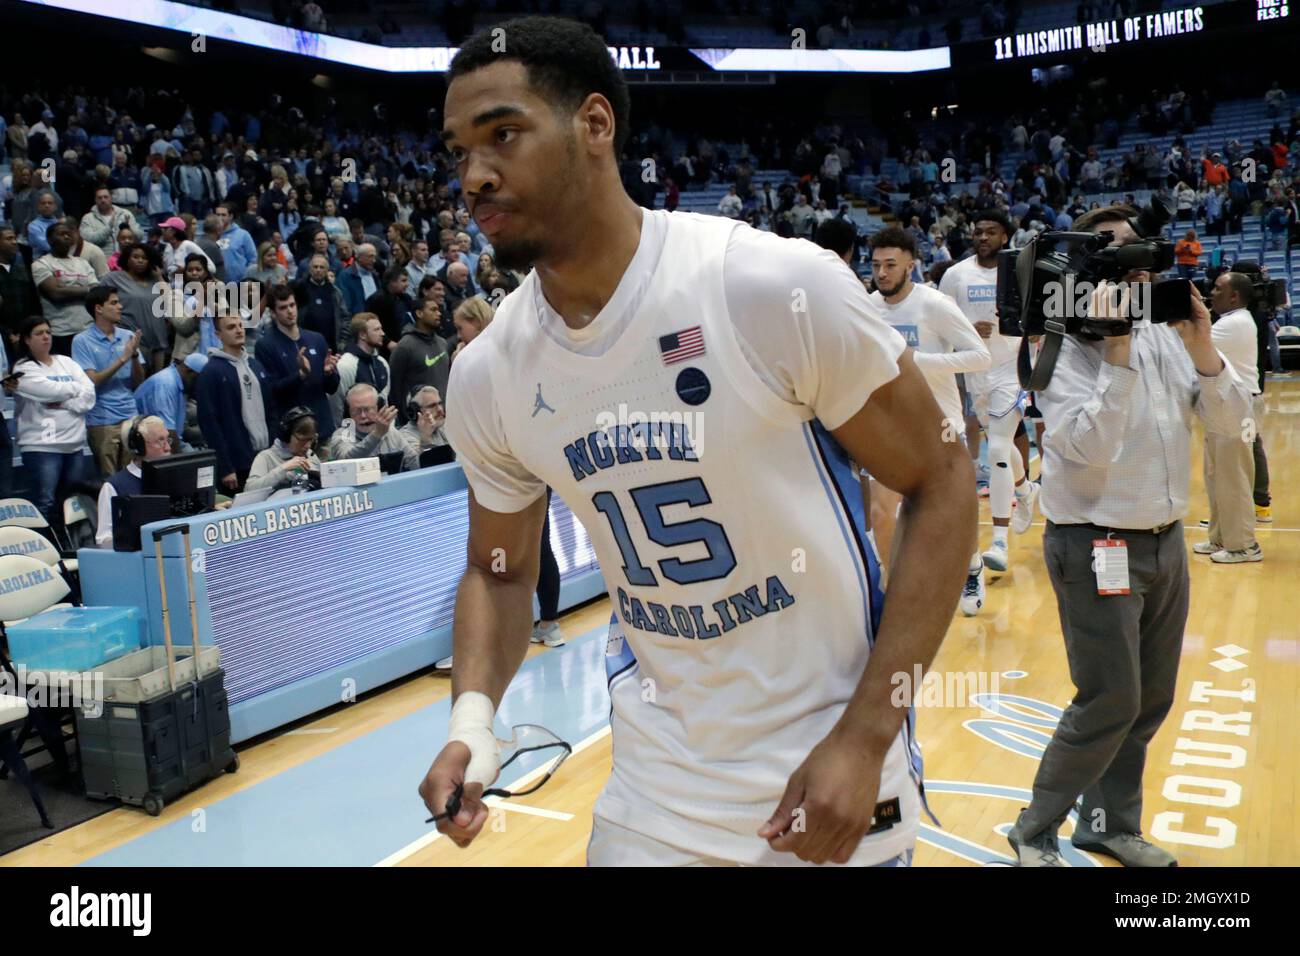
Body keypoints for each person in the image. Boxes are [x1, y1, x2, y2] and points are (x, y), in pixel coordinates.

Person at [419, 16, 975, 868]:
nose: (476, 175)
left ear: (596, 126)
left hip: (823, 780)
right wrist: (471, 723)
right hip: (655, 791)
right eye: (459, 150)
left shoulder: (767, 286)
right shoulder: (488, 373)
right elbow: (500, 572)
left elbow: (943, 478)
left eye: (503, 134)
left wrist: (867, 739)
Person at [1006, 204, 1253, 868]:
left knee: (1149, 699)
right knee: (1110, 698)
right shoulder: (1055, 348)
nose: (1133, 264)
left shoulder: (1166, 334)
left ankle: (1109, 823)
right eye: (1112, 252)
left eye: (1137, 252)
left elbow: (1232, 426)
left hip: (1165, 540)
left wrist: (1203, 348)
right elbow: (1088, 449)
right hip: (1094, 544)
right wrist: (1114, 354)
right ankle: (1033, 829)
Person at [867, 227, 991, 614]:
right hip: (889, 424)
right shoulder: (865, 306)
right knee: (881, 515)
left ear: (911, 265)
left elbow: (979, 356)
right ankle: (896, 590)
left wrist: (920, 364)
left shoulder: (934, 305)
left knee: (952, 513)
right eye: (876, 265)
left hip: (940, 421)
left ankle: (971, 566)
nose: (882, 273)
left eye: (891, 264)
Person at [939, 209, 1037, 573]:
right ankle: (1025, 491)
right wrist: (966, 330)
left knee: (996, 448)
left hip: (1010, 369)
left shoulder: (1020, 272)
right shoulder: (955, 275)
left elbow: (1036, 321)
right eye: (977, 232)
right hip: (974, 372)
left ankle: (998, 542)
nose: (982, 237)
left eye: (990, 232)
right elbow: (942, 324)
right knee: (1000, 444)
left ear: (1005, 237)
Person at [1191, 271, 1262, 564]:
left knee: (1235, 479)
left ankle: (1244, 545)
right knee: (1217, 477)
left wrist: (1191, 305)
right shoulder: (1230, 321)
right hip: (1223, 407)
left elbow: (1191, 343)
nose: (1212, 293)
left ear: (1234, 296)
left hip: (1240, 407)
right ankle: (1221, 537)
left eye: (1218, 289)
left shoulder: (1234, 324)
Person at [10, 316, 97, 524]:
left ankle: (69, 544)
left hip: (73, 446)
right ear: (27, 340)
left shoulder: (66, 362)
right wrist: (74, 390)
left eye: (48, 332)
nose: (46, 337)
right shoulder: (23, 369)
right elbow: (48, 391)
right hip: (42, 448)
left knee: (73, 503)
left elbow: (89, 395)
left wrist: (66, 401)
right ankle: (47, 545)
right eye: (39, 333)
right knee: (45, 501)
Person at [195, 310, 275, 493]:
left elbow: (272, 410)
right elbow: (210, 424)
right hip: (237, 464)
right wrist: (225, 466)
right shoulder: (211, 373)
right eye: (231, 327)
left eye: (240, 325)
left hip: (265, 456)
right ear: (218, 335)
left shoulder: (256, 365)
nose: (239, 330)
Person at [73, 286, 146, 476]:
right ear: (98, 309)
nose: (120, 307)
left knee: (133, 474)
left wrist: (135, 355)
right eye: (114, 303)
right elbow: (92, 381)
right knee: (110, 479)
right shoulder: (82, 341)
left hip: (130, 415)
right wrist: (123, 358)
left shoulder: (128, 336)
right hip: (102, 420)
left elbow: (138, 381)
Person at [254, 284, 340, 440]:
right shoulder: (265, 346)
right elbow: (272, 391)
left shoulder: (316, 339)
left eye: (292, 305)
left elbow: (332, 388)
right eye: (283, 307)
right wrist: (300, 375)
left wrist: (329, 373)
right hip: (292, 435)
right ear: (273, 313)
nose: (290, 311)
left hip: (322, 429)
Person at [95, 415, 173, 548]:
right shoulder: (114, 487)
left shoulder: (175, 477)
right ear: (139, 447)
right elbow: (103, 540)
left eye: (168, 440)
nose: (168, 448)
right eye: (160, 441)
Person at [31, 219, 98, 355]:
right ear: (49, 239)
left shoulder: (82, 262)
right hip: (61, 331)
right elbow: (55, 294)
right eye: (61, 234)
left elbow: (96, 292)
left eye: (68, 234)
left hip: (88, 329)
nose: (66, 237)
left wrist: (67, 288)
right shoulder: (41, 264)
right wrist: (86, 289)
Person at [388, 294, 455, 426]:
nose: (439, 313)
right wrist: (404, 419)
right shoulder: (405, 346)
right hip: (419, 420)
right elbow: (395, 388)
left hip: (445, 417)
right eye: (433, 310)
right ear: (419, 313)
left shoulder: (442, 343)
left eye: (439, 310)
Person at [326, 383, 418, 471]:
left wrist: (425, 438)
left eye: (367, 409)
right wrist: (377, 434)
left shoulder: (391, 432)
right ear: (348, 413)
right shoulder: (344, 433)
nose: (363, 416)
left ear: (379, 408)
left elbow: (414, 464)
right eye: (356, 411)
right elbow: (348, 461)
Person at [135, 352, 207, 450]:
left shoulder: (180, 381)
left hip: (170, 439)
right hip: (151, 442)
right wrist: (181, 461)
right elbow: (168, 434)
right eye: (200, 380)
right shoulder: (166, 384)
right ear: (189, 371)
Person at [245, 406, 323, 492]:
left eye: (311, 440)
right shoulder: (266, 457)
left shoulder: (310, 455)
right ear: (286, 436)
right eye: (302, 440)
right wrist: (283, 469)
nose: (308, 446)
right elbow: (250, 489)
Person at [333, 313, 390, 425]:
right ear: (363, 335)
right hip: (353, 434)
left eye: (381, 329)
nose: (382, 334)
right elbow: (338, 407)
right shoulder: (346, 364)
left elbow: (384, 401)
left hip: (380, 431)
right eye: (377, 330)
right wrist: (346, 438)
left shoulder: (382, 363)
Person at [0, 222, 37, 361]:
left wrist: (27, 331)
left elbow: (33, 303)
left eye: (15, 238)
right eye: (9, 239)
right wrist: (8, 334)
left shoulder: (22, 270)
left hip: (25, 333)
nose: (15, 242)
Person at [294, 253, 346, 351]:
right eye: (315, 267)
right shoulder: (299, 288)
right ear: (310, 269)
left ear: (327, 271)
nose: (318, 270)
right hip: (305, 343)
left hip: (331, 344)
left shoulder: (335, 292)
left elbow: (344, 317)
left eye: (321, 267)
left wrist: (342, 342)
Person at [80, 186, 142, 255]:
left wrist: (130, 229)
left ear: (111, 198)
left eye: (106, 197)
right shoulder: (88, 218)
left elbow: (140, 237)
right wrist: (109, 228)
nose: (103, 200)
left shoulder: (125, 214)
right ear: (95, 200)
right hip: (101, 259)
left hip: (124, 259)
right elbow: (88, 240)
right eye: (99, 198)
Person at [397, 385, 450, 455]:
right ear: (415, 411)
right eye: (432, 406)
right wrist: (425, 439)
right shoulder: (405, 437)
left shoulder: (443, 427)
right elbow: (417, 464)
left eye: (440, 403)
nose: (440, 409)